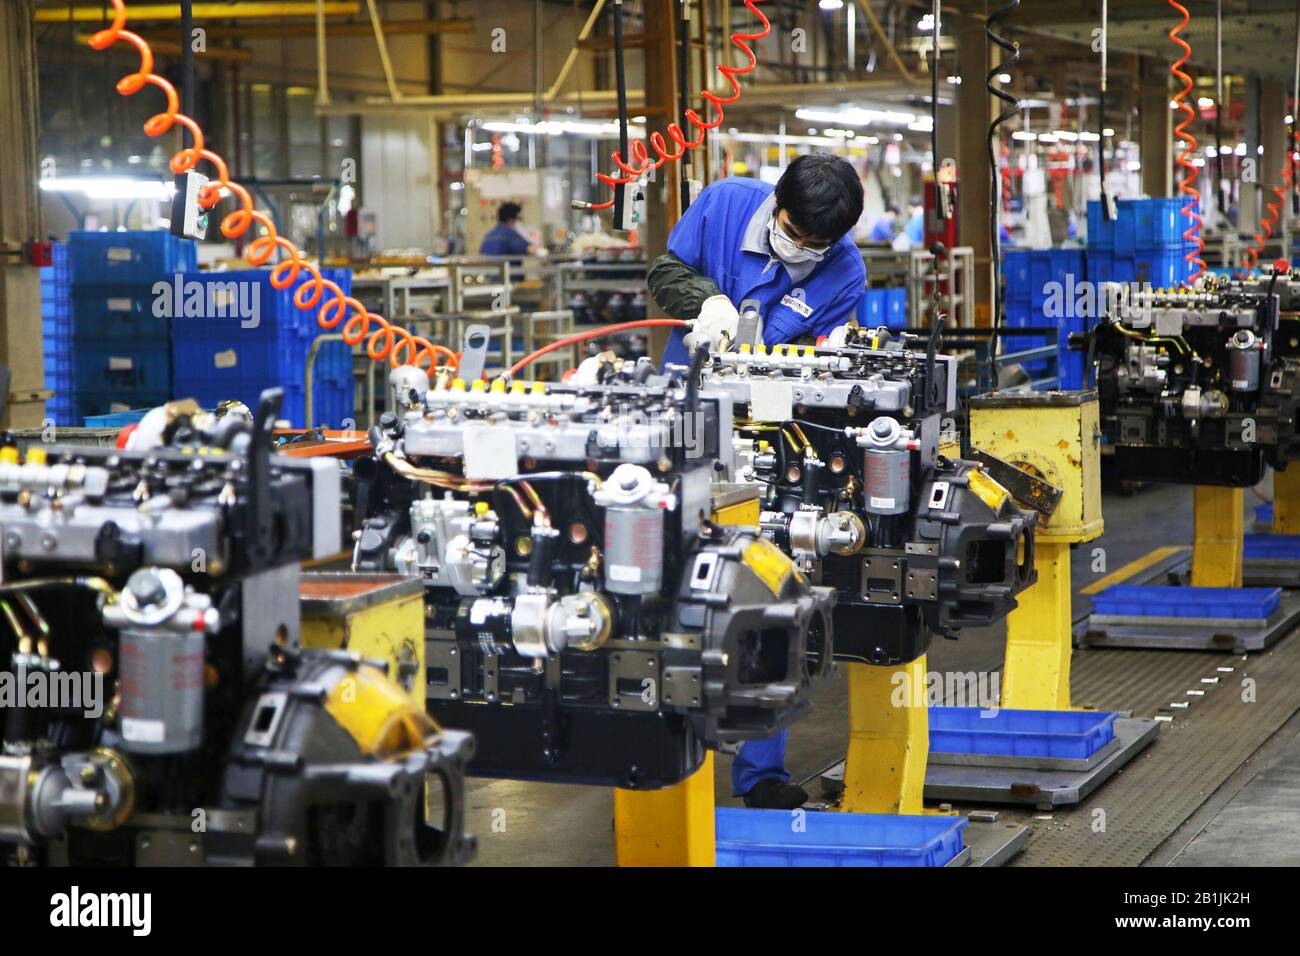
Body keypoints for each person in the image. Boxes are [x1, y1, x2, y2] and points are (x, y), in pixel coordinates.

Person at [646, 153, 865, 810]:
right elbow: (666, 270)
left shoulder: (845, 272)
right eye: (793, 231)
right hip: (682, 413)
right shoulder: (724, 202)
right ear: (777, 204)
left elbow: (824, 366)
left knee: (770, 584)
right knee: (662, 574)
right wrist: (706, 300)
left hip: (769, 438)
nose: (800, 248)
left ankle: (762, 774)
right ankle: (655, 745)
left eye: (815, 245)